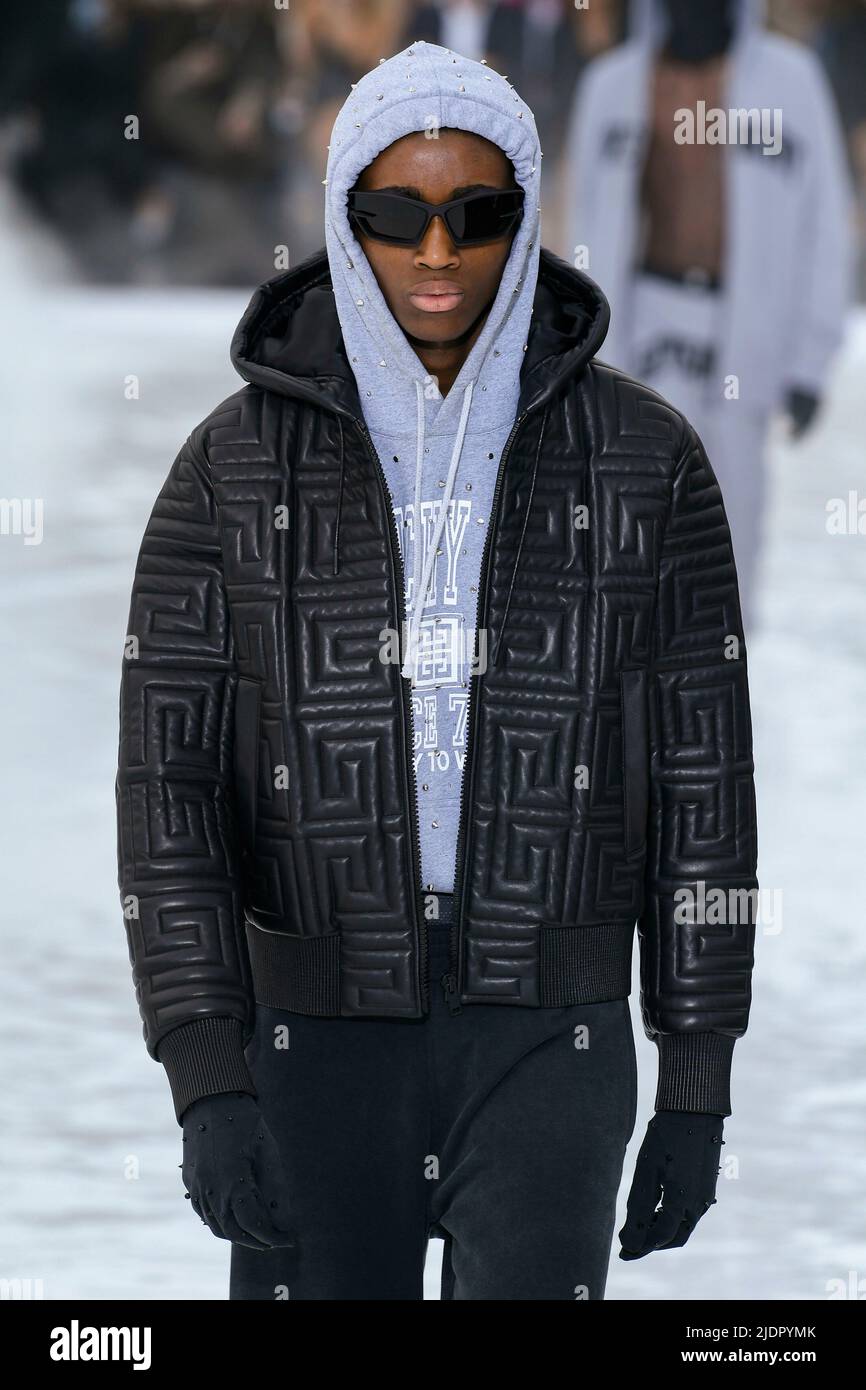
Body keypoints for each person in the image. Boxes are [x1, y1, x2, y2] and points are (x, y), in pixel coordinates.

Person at [116, 39, 759, 1301]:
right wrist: (206, 1072)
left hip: (550, 1034)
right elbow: (167, 793)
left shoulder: (647, 462)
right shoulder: (229, 471)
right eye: (392, 216)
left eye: (477, 215)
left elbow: (703, 789)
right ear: (341, 218)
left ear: (523, 219)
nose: (433, 252)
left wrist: (695, 1083)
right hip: (308, 1038)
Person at [562, 0, 854, 633]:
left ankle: (717, 706)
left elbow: (824, 225)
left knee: (730, 538)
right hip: (637, 333)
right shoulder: (612, 87)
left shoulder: (790, 82)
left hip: (746, 332)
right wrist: (573, 350)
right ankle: (632, 706)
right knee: (628, 534)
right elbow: (579, 224)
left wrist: (810, 361)